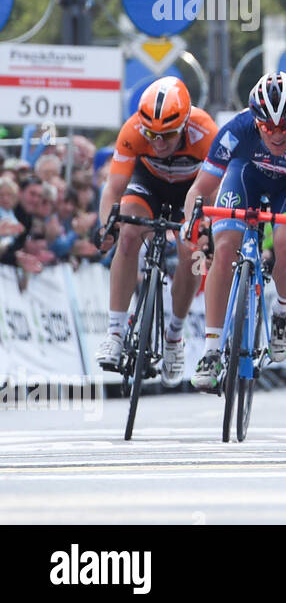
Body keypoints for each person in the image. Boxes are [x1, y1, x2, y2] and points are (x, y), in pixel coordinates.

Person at [182, 72, 286, 390]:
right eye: (268, 127)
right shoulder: (236, 130)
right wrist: (193, 226)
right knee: (224, 245)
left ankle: (282, 312)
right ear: (256, 122)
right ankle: (212, 351)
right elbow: (199, 190)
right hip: (247, 177)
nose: (277, 135)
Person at [93, 78, 215, 385]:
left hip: (192, 191)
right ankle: (116, 332)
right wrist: (107, 226)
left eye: (169, 135)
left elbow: (217, 191)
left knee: (192, 251)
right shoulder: (133, 130)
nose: (159, 143)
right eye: (152, 135)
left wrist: (205, 230)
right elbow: (113, 190)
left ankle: (174, 335)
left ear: (185, 124)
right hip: (149, 186)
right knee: (129, 234)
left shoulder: (206, 132)